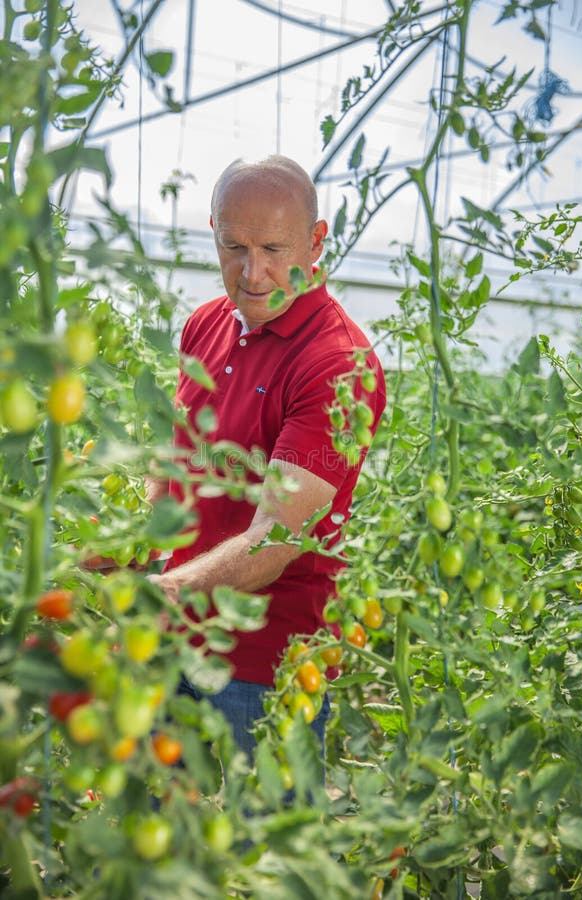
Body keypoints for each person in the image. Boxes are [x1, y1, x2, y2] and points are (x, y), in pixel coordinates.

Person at [147, 155, 386, 760]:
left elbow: (277, 541)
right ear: (214, 231)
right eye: (234, 247)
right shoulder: (205, 325)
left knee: (254, 848)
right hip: (170, 643)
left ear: (315, 241)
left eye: (275, 250)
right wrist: (121, 548)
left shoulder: (337, 365)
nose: (253, 273)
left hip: (262, 672)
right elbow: (173, 467)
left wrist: (162, 592)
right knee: (151, 837)